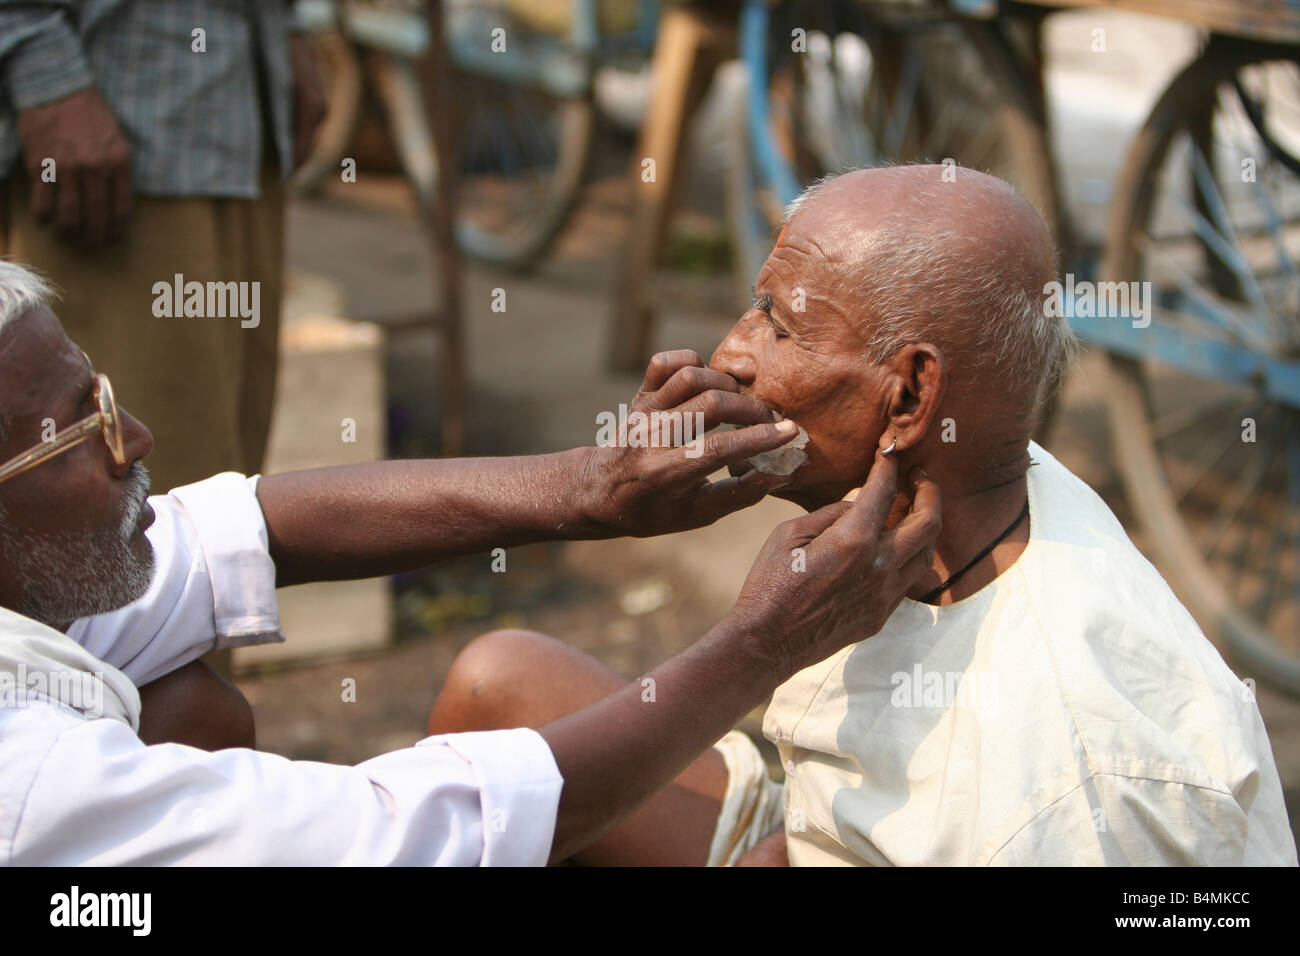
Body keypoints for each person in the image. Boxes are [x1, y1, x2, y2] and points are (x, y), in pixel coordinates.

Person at [432, 165, 1299, 866]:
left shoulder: (1067, 794)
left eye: (780, 326)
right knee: (499, 680)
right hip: (814, 838)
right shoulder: (963, 487)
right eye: (756, 305)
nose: (731, 353)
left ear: (913, 394)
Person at [0, 258, 942, 865]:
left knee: (188, 707)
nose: (136, 438)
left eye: (780, 322)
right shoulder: (32, 788)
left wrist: (585, 488)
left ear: (913, 392)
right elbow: (409, 832)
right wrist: (756, 648)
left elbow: (240, 534)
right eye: (79, 432)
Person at [0, 0, 326, 493]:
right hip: (115, 136)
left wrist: (291, 25)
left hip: (243, 107)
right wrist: (45, 72)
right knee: (141, 500)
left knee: (222, 492)